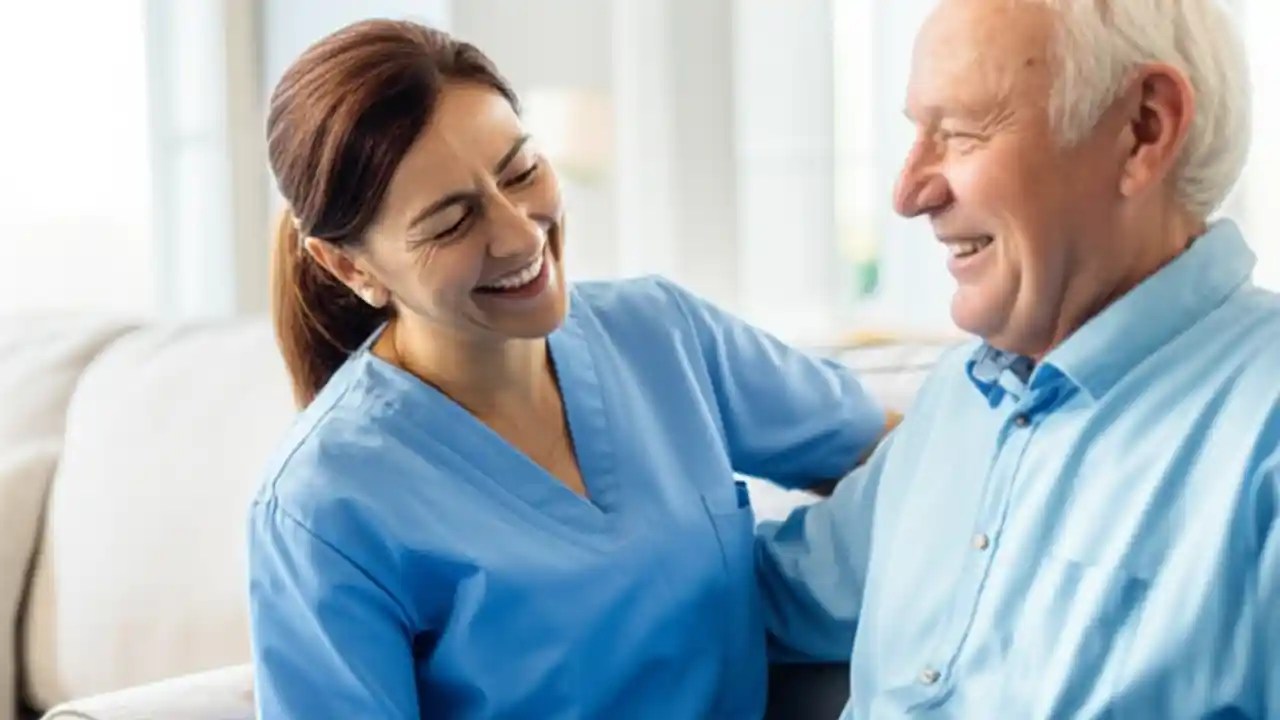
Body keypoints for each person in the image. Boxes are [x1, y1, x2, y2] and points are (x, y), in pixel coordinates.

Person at [246, 18, 892, 719]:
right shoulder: (323, 509)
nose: (522, 232)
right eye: (451, 223)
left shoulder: (662, 334)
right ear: (350, 265)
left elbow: (904, 457)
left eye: (521, 171)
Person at [758, 0, 1280, 717]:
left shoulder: (1263, 427)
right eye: (916, 133)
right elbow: (764, 593)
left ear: (1143, 131)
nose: (909, 193)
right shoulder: (962, 396)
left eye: (963, 133)